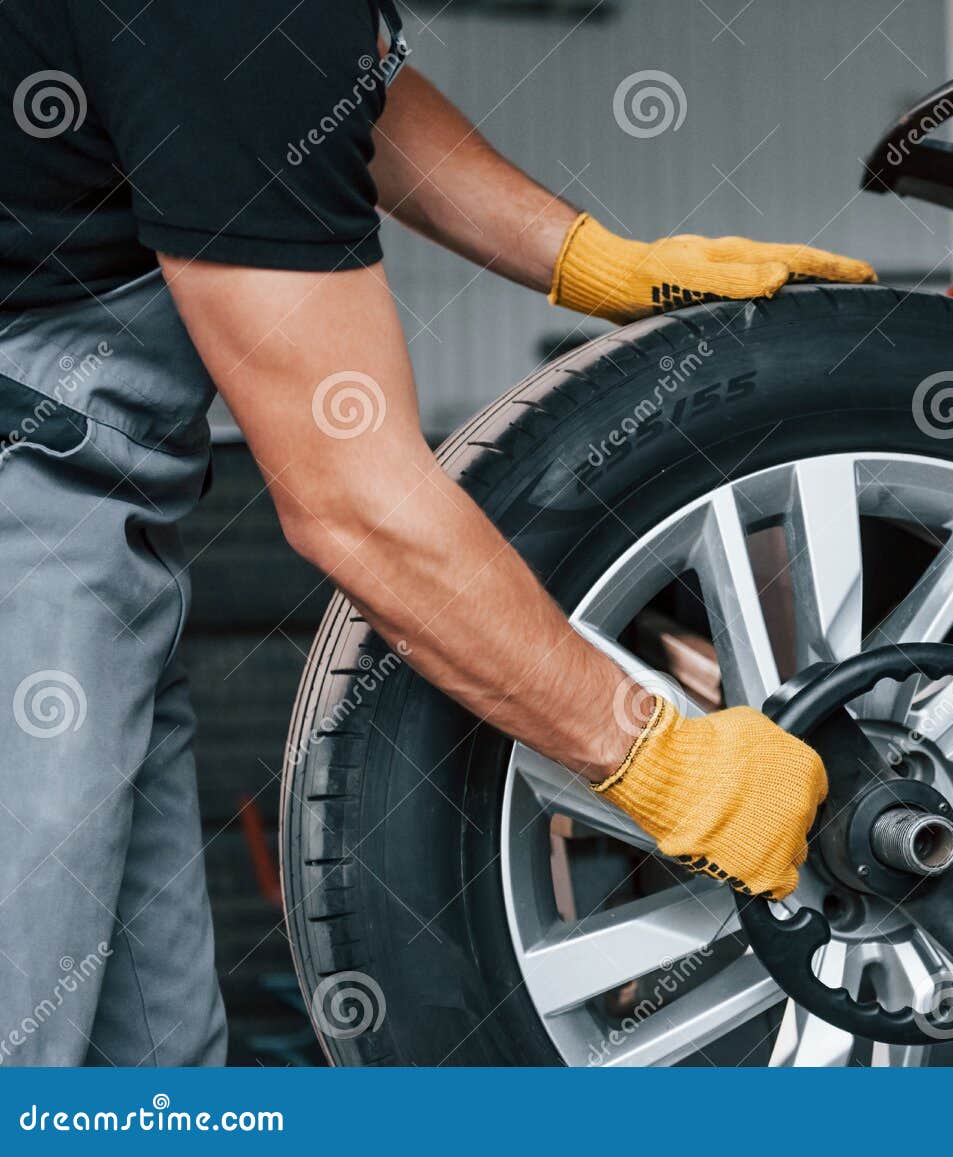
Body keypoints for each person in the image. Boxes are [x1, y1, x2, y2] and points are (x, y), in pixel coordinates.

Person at [0, 1, 872, 1066]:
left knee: (143, 1067)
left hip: (86, 506)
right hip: (28, 486)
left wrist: (582, 256)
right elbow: (355, 505)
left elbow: (331, 91)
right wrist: (657, 757)